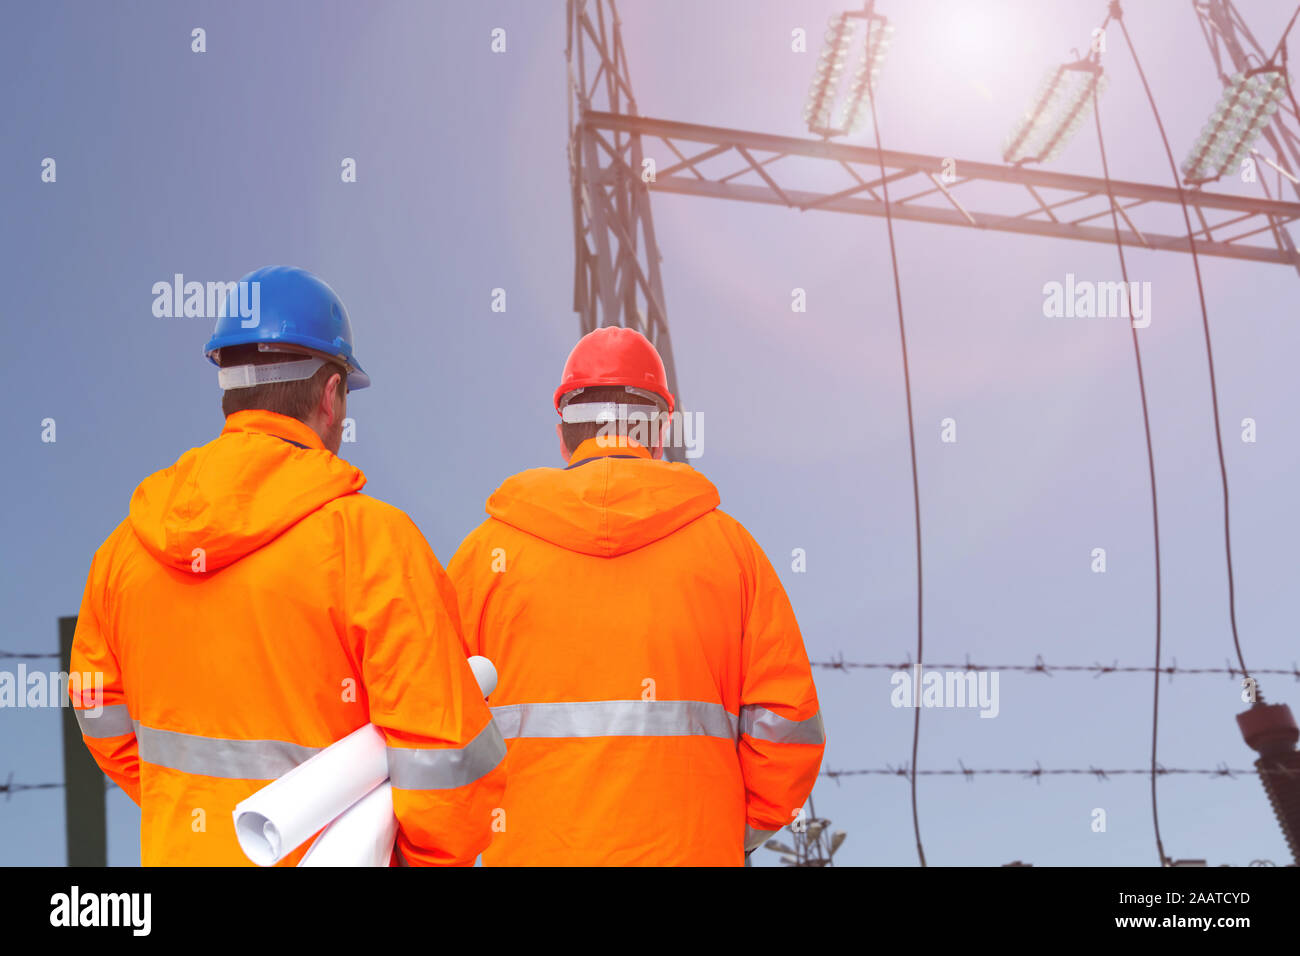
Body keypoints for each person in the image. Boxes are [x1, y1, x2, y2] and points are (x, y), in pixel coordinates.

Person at [69, 265, 505, 866]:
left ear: (230, 387)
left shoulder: (123, 553)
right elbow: (446, 760)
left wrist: (196, 819)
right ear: (329, 395)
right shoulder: (373, 544)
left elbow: (97, 709)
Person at [447, 326, 824, 865]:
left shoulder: (485, 557)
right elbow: (789, 731)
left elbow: (433, 733)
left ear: (564, 435)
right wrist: (723, 831)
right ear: (662, 429)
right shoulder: (731, 552)